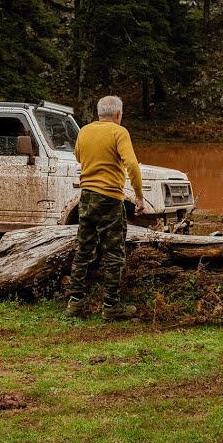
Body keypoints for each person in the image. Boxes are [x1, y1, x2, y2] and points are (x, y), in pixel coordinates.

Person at [65, 95, 151, 322]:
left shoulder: (84, 131)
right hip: (110, 198)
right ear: (118, 114)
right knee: (113, 252)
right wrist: (139, 196)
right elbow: (132, 164)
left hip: (86, 197)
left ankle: (75, 303)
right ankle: (111, 306)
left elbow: (78, 156)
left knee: (83, 249)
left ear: (99, 113)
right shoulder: (119, 132)